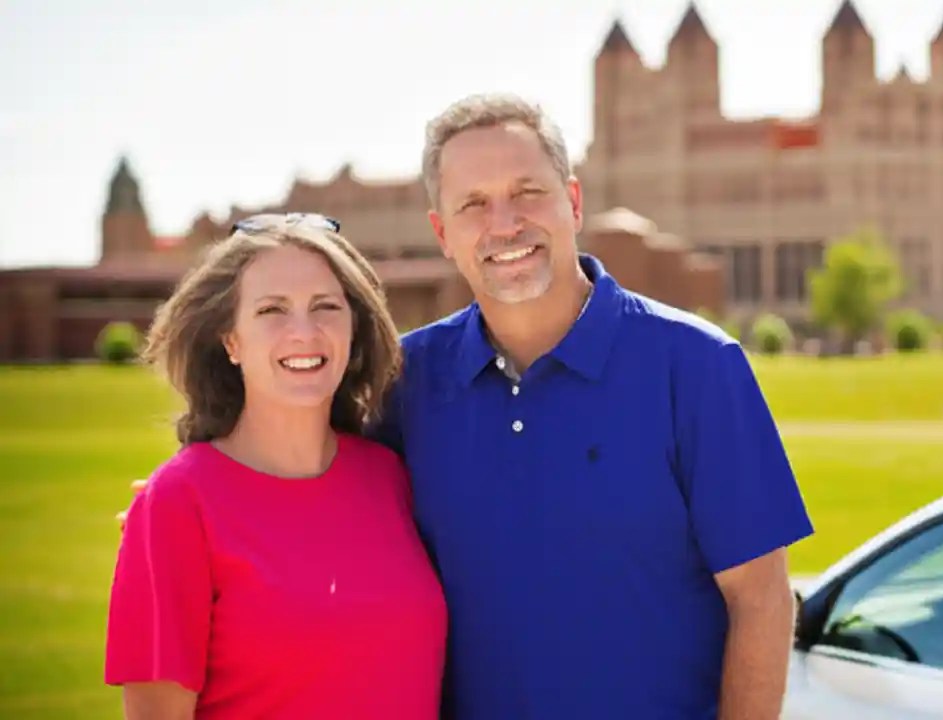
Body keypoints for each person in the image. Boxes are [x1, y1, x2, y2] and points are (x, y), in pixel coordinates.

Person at [370, 93, 814, 719]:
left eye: (528, 192)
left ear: (573, 202)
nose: (505, 223)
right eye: (474, 203)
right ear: (442, 233)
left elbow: (762, 596)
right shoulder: (403, 384)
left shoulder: (695, 366)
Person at [105, 214, 448, 719]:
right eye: (272, 310)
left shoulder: (391, 476)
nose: (304, 332)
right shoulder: (177, 502)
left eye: (326, 307)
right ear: (231, 341)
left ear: (354, 328)